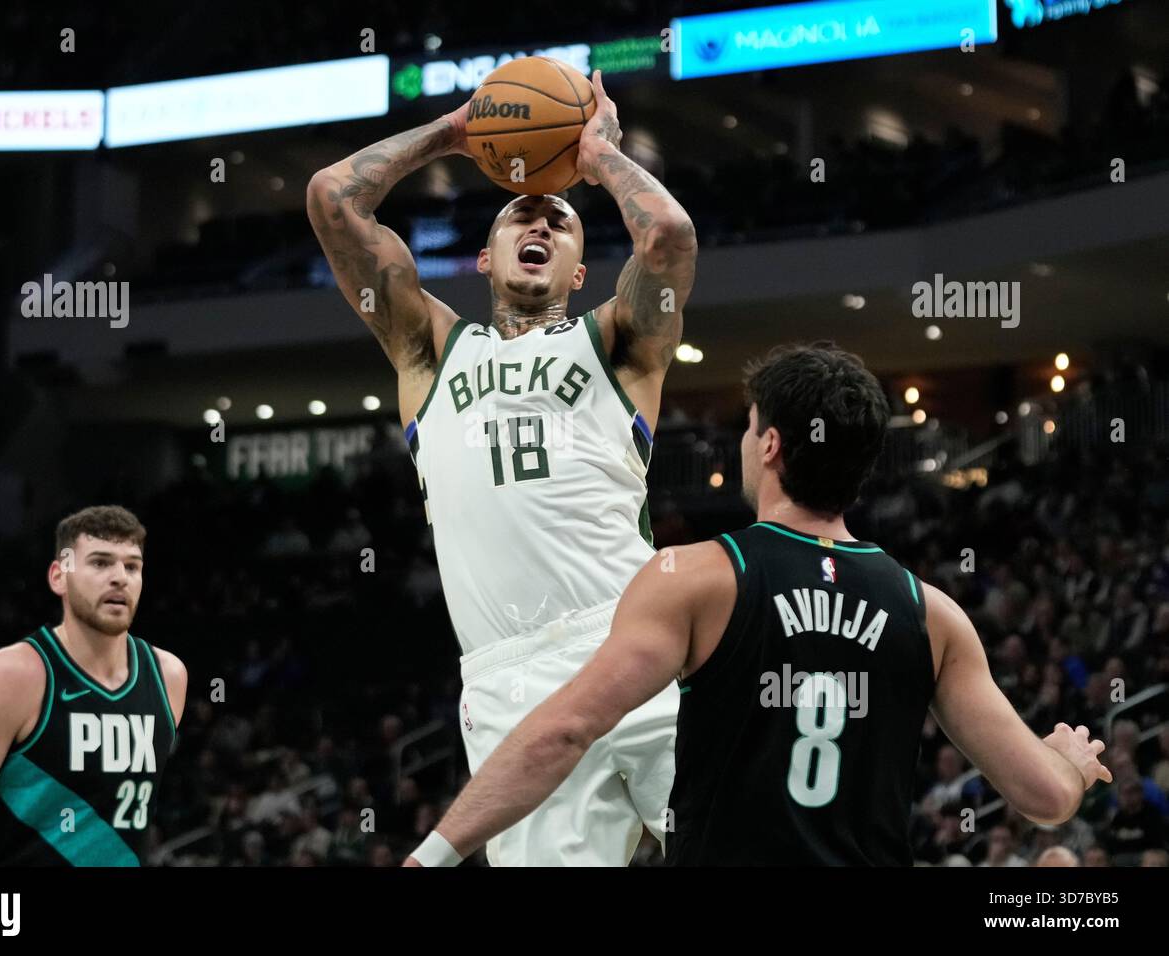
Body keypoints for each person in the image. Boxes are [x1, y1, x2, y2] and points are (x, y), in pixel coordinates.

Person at [408, 344, 1110, 865]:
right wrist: (1072, 765)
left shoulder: (697, 578)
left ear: (769, 445)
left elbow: (565, 730)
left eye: (748, 430)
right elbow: (1045, 799)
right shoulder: (930, 614)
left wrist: (431, 854)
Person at [307, 70, 696, 866]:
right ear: (483, 260)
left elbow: (668, 236)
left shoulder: (615, 343)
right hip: (507, 673)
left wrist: (600, 159)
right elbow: (332, 200)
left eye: (561, 222)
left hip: (633, 640)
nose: (541, 224)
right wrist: (455, 131)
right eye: (522, 213)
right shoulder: (428, 348)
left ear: (580, 275)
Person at [0, 506, 186, 865]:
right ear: (59, 577)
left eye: (132, 566)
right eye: (101, 562)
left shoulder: (169, 676)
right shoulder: (14, 674)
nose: (120, 577)